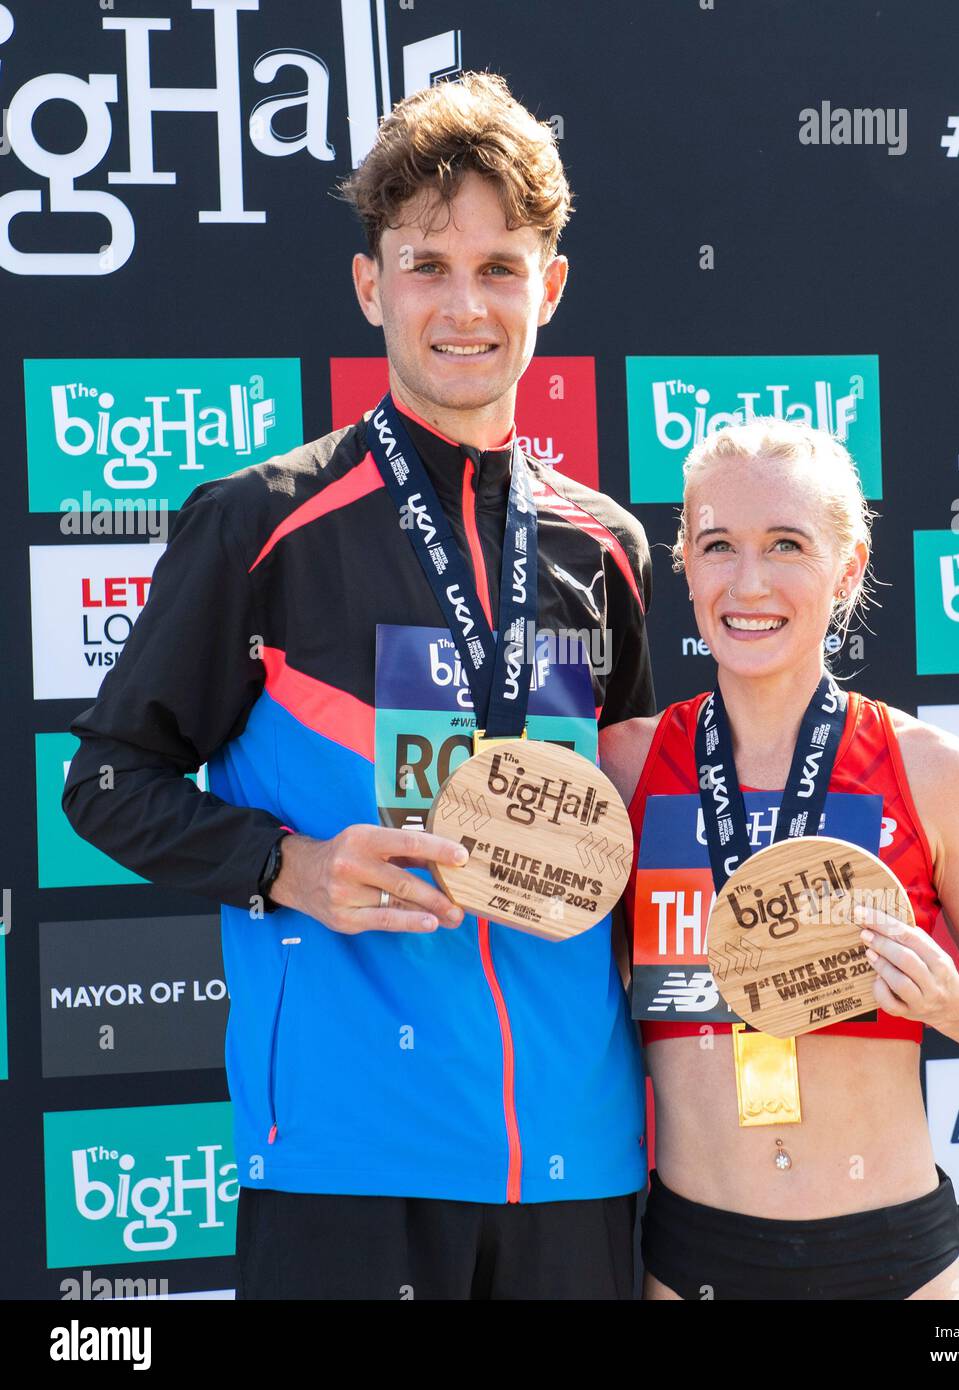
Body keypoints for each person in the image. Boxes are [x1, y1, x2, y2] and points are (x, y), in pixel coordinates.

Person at [62, 72, 655, 1300]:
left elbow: (646, 826)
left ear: (548, 289)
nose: (463, 305)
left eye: (499, 268)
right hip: (350, 1159)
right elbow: (108, 781)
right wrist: (289, 866)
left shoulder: (604, 548)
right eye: (426, 263)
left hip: (581, 1156)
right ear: (368, 285)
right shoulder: (259, 524)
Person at [601, 417, 959, 1301]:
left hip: (892, 1259)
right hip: (695, 1258)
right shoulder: (625, 765)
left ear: (845, 569)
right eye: (718, 544)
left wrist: (950, 1003)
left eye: (786, 545)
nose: (749, 581)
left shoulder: (932, 769)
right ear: (684, 562)